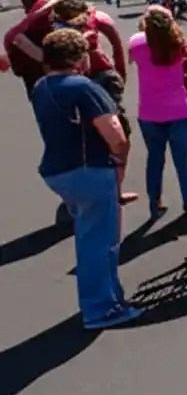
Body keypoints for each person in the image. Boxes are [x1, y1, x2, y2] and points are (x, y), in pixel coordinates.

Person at [33, 28, 140, 329]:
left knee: (89, 235)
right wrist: (119, 160)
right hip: (89, 171)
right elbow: (115, 135)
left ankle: (110, 297)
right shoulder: (83, 88)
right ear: (79, 58)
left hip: (58, 172)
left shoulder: (41, 87)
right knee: (100, 242)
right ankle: (101, 308)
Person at [129, 6, 187, 217]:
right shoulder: (181, 47)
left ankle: (154, 202)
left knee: (155, 159)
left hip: (149, 113)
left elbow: (135, 48)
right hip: (179, 112)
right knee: (184, 161)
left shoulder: (137, 44)